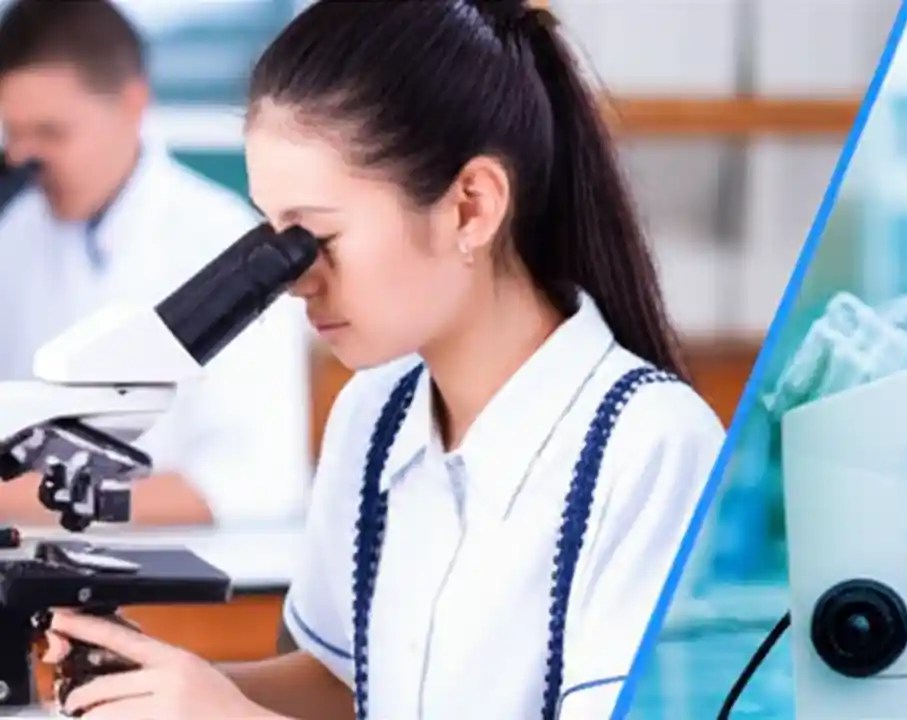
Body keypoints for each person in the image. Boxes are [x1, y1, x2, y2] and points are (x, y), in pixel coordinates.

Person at [41, 1, 725, 718]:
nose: (294, 280)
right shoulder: (373, 416)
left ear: (471, 207)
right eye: (275, 239)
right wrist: (165, 684)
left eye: (314, 238)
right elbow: (344, 688)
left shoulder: (649, 448)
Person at [0, 0, 312, 527]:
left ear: (133, 104)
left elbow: (257, 481)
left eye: (52, 134)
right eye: (14, 134)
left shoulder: (227, 249)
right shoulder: (15, 233)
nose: (25, 159)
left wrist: (15, 501)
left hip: (180, 593)